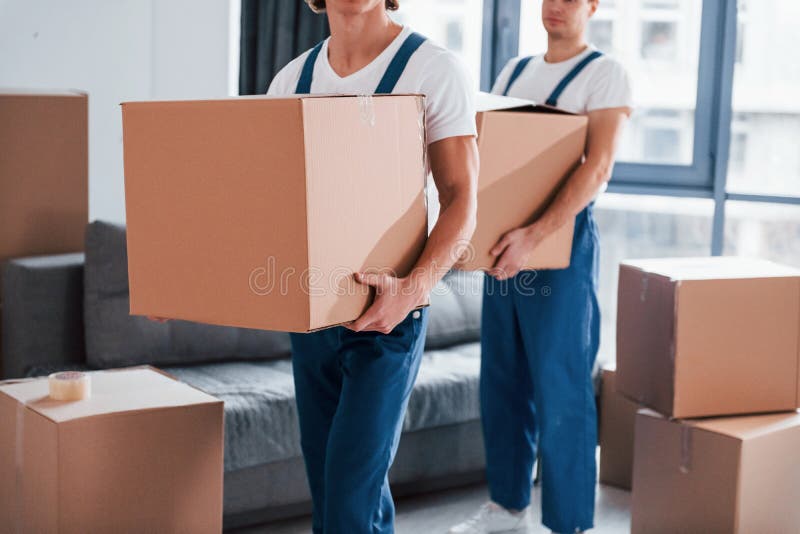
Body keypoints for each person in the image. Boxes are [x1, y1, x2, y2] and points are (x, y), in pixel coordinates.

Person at [265, 1, 478, 533]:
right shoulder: (291, 80)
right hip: (311, 319)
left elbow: (462, 201)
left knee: (350, 502)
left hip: (388, 315)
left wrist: (412, 290)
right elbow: (265, 204)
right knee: (330, 494)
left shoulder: (431, 69)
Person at [448, 1, 632, 533]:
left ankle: (569, 524)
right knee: (501, 379)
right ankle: (507, 508)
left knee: (561, 385)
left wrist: (534, 235)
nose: (555, 5)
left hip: (560, 246)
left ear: (593, 5)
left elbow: (597, 167)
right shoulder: (514, 72)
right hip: (503, 242)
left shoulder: (605, 74)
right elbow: (490, 156)